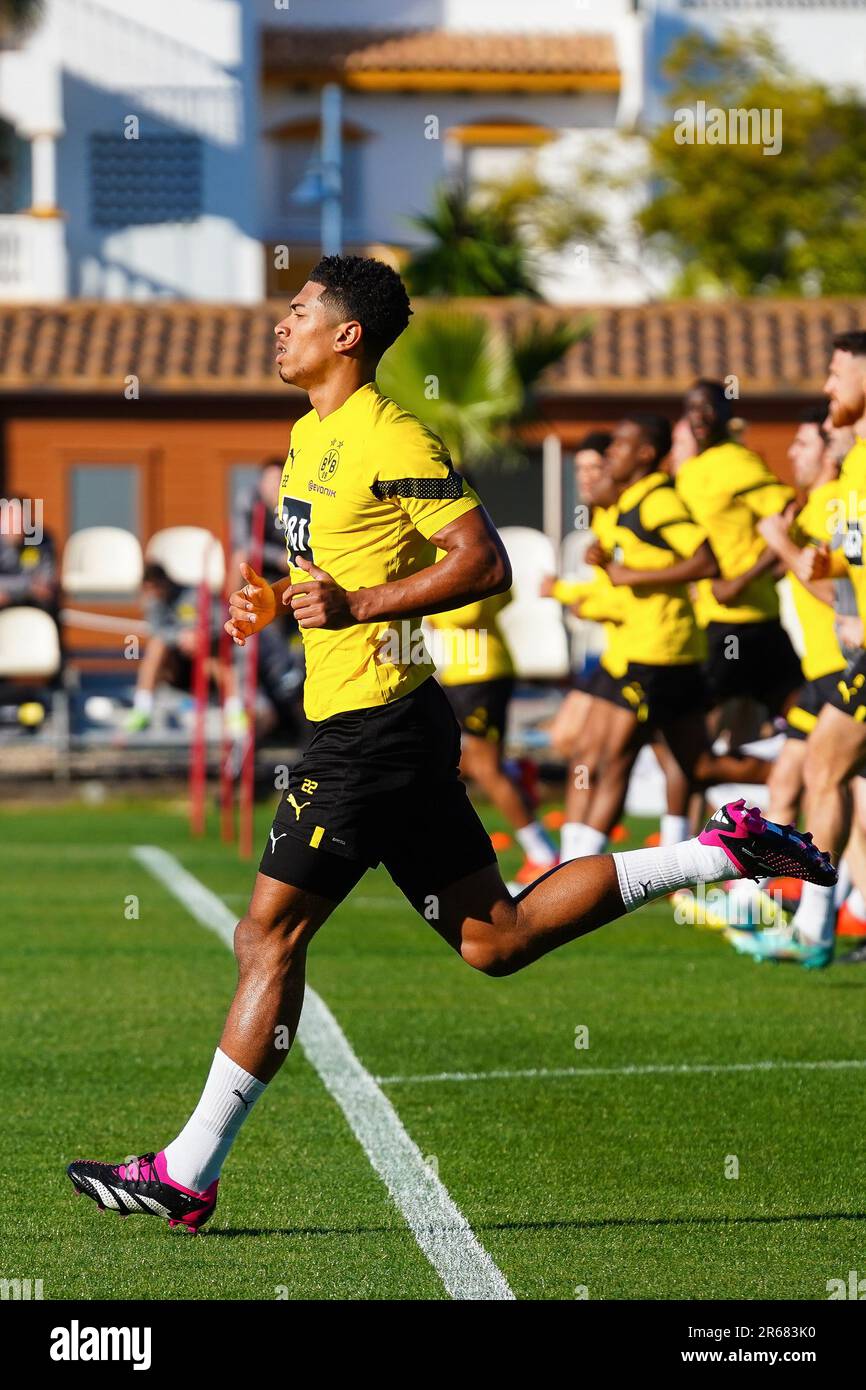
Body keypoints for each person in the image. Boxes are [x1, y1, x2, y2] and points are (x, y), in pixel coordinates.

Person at [67, 256, 835, 1232]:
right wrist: (276, 601)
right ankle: (717, 850)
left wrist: (360, 604)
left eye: (298, 312)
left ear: (346, 336)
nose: (280, 325)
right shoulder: (309, 436)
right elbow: (328, 571)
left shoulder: (392, 434)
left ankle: (185, 1170)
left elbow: (482, 558)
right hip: (379, 721)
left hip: (372, 728)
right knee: (494, 938)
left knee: (266, 933)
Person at [731, 332, 866, 965]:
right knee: (827, 776)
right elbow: (842, 573)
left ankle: (808, 921)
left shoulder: (851, 480)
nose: (827, 386)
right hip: (846, 661)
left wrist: (785, 547)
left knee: (819, 774)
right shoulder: (854, 476)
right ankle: (815, 922)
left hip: (842, 662)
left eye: (837, 372)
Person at [675, 381, 802, 741]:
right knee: (718, 736)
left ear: (728, 412)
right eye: (691, 409)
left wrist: (745, 578)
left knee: (700, 738)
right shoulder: (690, 472)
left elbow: (788, 514)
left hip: (745, 620)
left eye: (708, 407)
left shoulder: (738, 462)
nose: (699, 416)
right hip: (711, 620)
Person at [426, 587, 558, 886]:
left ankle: (544, 855)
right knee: (461, 762)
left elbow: (469, 612)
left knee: (486, 768)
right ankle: (517, 773)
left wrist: (429, 596)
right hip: (464, 674)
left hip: (482, 674)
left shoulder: (472, 562)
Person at [123, 562, 246, 737]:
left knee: (214, 655)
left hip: (205, 662)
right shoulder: (153, 601)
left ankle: (234, 710)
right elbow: (157, 630)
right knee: (156, 646)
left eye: (156, 588)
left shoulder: (195, 594)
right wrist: (181, 637)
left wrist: (200, 636)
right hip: (174, 666)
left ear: (165, 582)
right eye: (149, 590)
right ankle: (142, 708)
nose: (154, 593)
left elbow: (222, 621)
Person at [231, 459, 305, 738]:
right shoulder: (248, 501)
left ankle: (291, 680)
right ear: (261, 483)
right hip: (260, 574)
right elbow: (244, 544)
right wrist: (279, 557)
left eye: (280, 482)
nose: (276, 488)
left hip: (292, 577)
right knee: (238, 559)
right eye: (271, 482)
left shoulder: (299, 500)